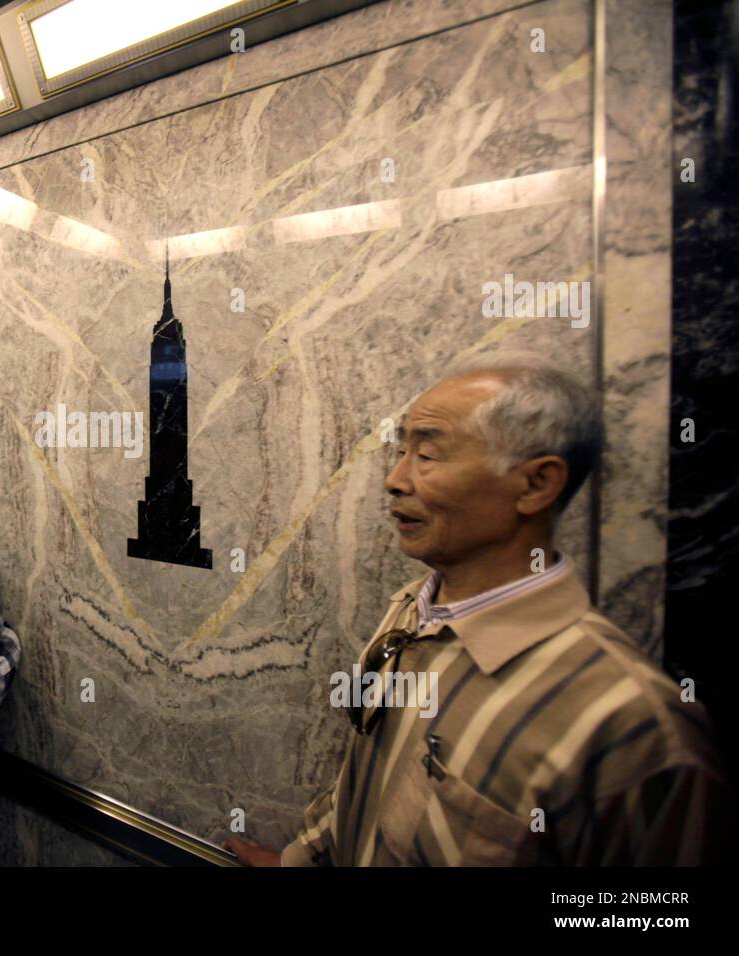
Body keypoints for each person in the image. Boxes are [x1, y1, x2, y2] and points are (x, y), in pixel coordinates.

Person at [224, 350, 725, 866]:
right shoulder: (411, 612)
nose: (395, 479)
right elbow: (368, 781)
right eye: (402, 452)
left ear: (535, 484)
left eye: (428, 455)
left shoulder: (634, 727)